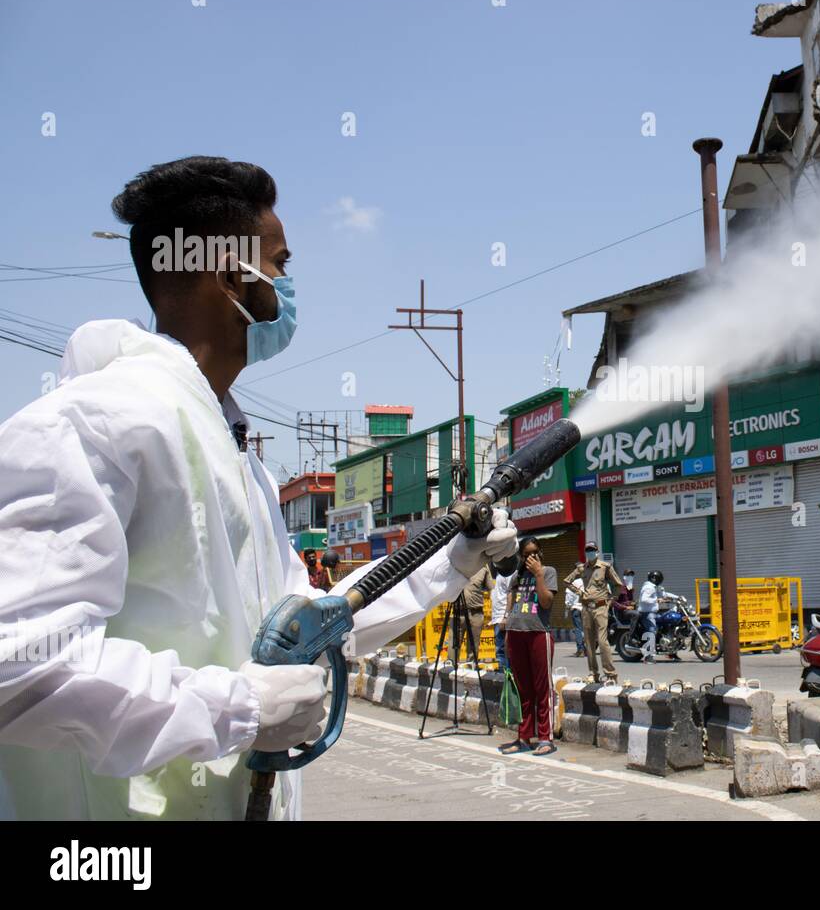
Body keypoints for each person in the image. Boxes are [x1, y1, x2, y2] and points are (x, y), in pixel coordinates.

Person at [0, 157, 518, 820]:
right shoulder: (90, 424)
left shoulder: (237, 457)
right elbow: (22, 662)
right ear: (229, 274)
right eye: (279, 264)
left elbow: (305, 627)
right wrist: (235, 709)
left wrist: (450, 562)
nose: (287, 286)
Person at [499, 538, 558, 756]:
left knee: (542, 688)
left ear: (540, 553)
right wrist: (506, 629)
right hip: (516, 633)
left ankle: (545, 737)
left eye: (534, 553)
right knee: (523, 689)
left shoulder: (548, 572)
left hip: (538, 633)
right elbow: (512, 604)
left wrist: (539, 574)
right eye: (526, 555)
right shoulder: (518, 575)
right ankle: (523, 736)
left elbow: (546, 602)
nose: (531, 558)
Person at [562, 541, 626, 682]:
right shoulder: (581, 568)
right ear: (585, 552)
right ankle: (593, 673)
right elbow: (566, 581)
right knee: (589, 642)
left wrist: (611, 600)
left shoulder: (605, 567)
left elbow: (618, 584)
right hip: (586, 607)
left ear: (597, 551)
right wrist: (579, 591)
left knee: (602, 641)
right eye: (588, 550)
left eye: (592, 550)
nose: (590, 552)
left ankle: (610, 674)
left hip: (601, 607)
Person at [454, 565, 492, 667]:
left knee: (473, 647)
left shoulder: (484, 567)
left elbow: (490, 588)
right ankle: (450, 671)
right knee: (454, 645)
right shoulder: (457, 563)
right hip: (458, 613)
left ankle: (471, 670)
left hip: (476, 613)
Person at [636, 570, 668, 663]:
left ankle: (671, 652)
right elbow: (644, 599)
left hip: (652, 612)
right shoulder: (649, 587)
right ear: (654, 578)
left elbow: (663, 595)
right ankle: (648, 657)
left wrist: (676, 597)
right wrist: (657, 600)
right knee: (651, 632)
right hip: (647, 613)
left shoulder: (653, 587)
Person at [489, 562, 513, 671]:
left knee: (503, 650)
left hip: (502, 617)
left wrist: (506, 616)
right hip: (497, 616)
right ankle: (503, 675)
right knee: (500, 650)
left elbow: (511, 594)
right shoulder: (499, 574)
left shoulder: (508, 574)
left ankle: (504, 678)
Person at [564, 567, 587, 657]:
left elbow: (569, 598)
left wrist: (567, 608)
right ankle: (587, 650)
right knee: (586, 630)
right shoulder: (588, 582)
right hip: (586, 609)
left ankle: (580, 649)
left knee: (578, 629)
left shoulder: (574, 583)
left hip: (576, 609)